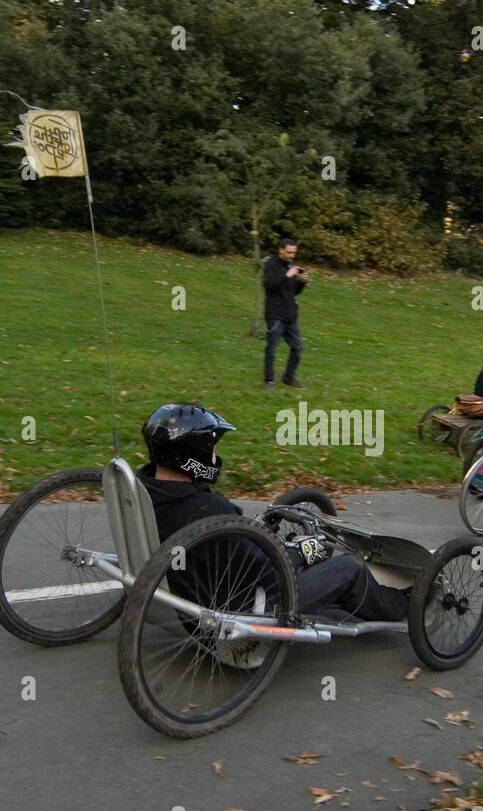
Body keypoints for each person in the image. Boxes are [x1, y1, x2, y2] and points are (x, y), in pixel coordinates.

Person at [137, 402, 409, 621]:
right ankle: (405, 605)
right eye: (211, 448)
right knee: (348, 568)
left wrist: (248, 532)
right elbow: (266, 567)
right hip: (245, 609)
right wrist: (300, 552)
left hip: (187, 597)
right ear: (192, 456)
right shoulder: (208, 510)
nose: (213, 456)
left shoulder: (146, 496)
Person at [262, 238, 308, 389]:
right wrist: (287, 275)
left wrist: (301, 282)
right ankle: (269, 380)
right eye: (289, 252)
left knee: (298, 347)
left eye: (293, 253)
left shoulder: (290, 265)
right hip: (275, 314)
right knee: (272, 348)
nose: (291, 255)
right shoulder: (270, 265)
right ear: (280, 250)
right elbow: (269, 286)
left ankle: (289, 378)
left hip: (290, 316)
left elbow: (293, 291)